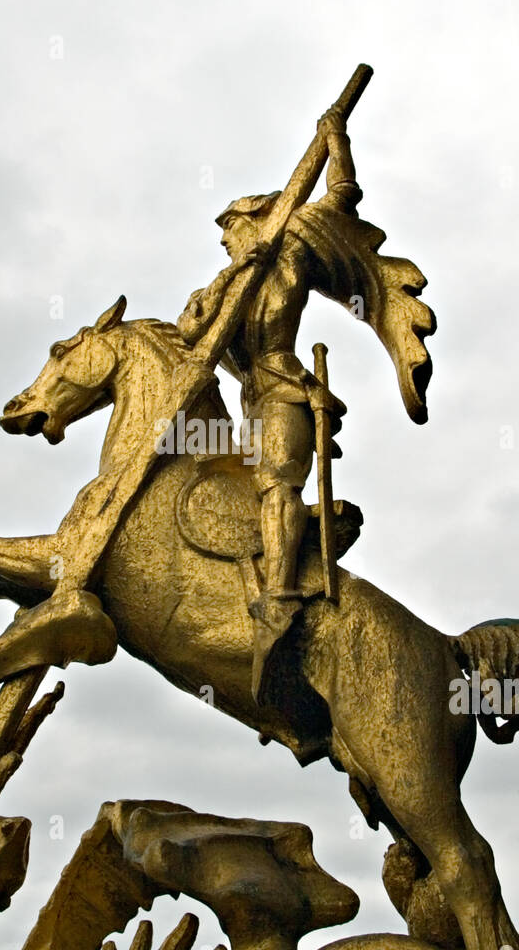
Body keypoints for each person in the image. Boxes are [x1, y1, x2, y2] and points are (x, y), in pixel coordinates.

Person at [177, 105, 435, 697]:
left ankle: (282, 593)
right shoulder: (222, 286)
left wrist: (335, 139)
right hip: (247, 402)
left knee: (278, 485)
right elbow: (189, 344)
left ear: (253, 218)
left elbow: (340, 196)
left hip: (288, 388)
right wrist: (211, 297)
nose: (224, 242)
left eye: (229, 230)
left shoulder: (291, 251)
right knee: (241, 485)